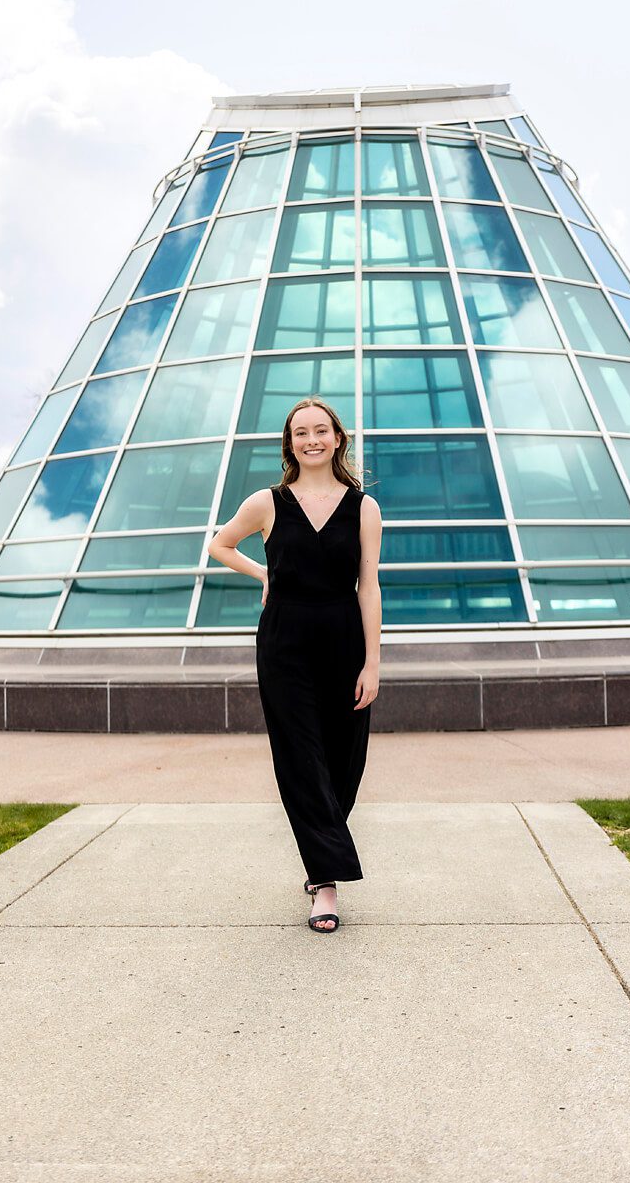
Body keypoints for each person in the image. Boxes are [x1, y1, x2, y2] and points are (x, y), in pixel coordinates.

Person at [207, 396, 382, 934]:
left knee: (343, 762)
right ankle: (324, 884)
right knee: (301, 759)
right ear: (290, 443)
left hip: (343, 638)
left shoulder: (363, 507)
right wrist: (265, 577)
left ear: (337, 439)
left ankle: (319, 859)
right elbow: (221, 545)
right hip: (284, 643)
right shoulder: (267, 502)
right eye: (300, 432)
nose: (311, 440)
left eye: (321, 431)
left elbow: (369, 586)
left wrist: (372, 662)